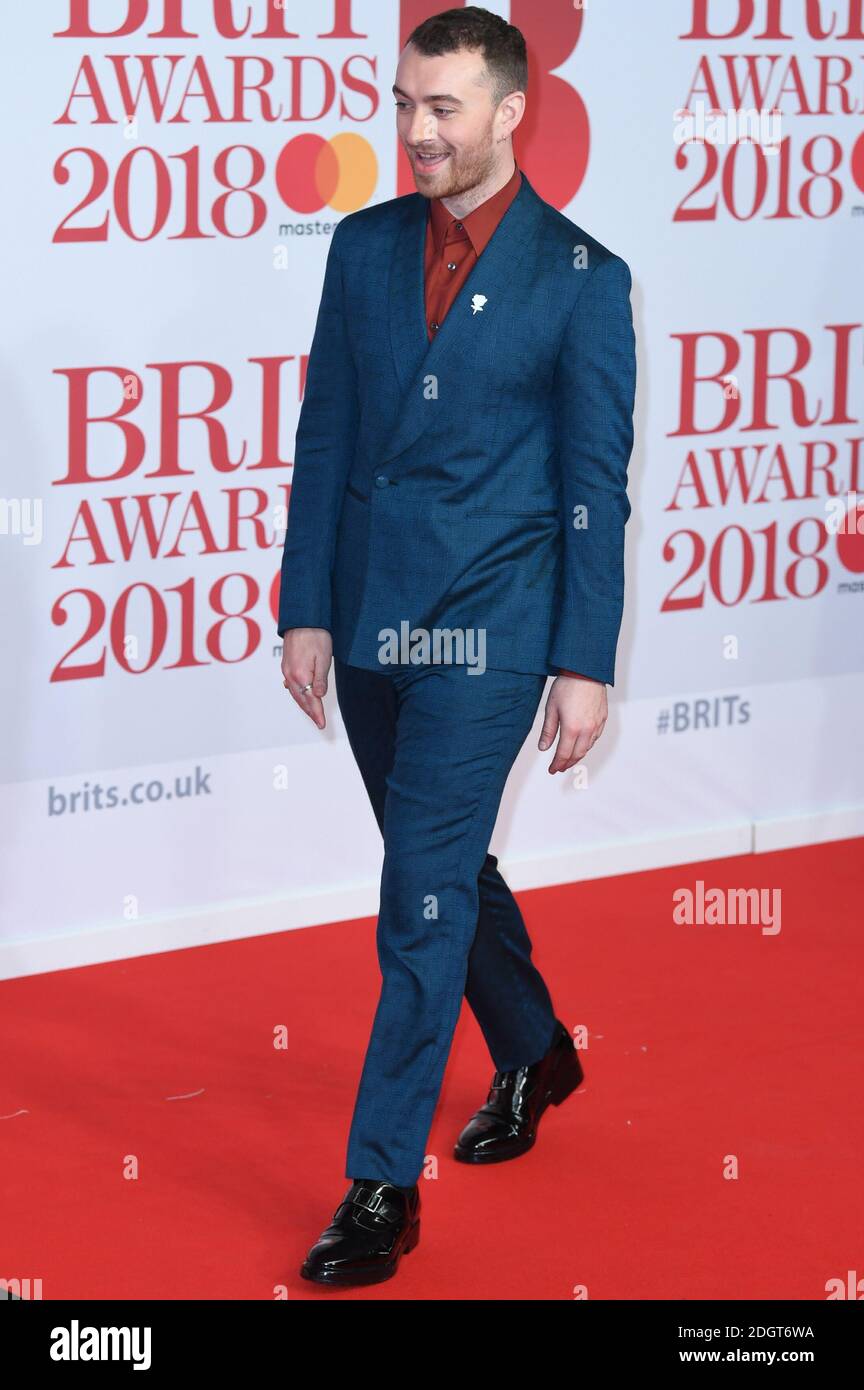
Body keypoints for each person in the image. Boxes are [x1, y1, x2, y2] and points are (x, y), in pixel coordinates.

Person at [277, 6, 636, 1288]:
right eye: (404, 104)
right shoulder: (364, 247)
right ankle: (537, 1047)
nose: (417, 131)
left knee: (412, 900)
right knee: (439, 863)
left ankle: (380, 1186)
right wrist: (303, 603)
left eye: (443, 109)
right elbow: (326, 435)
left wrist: (584, 659)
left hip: (492, 631)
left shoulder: (586, 279)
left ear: (507, 112)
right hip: (369, 614)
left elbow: (598, 482)